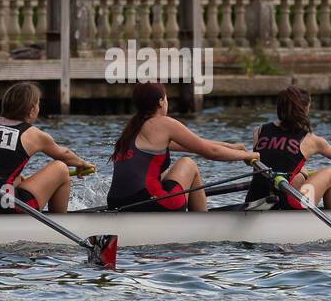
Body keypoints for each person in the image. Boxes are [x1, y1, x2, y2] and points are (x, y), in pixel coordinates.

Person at [107, 82, 256, 211]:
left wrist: (231, 147)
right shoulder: (163, 123)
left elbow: (196, 144)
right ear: (161, 102)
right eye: (166, 98)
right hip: (148, 203)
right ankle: (201, 222)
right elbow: (212, 153)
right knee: (188, 164)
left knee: (163, 176)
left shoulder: (134, 127)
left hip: (116, 203)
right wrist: (249, 155)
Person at [0, 82, 91, 214]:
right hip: (4, 204)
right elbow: (64, 154)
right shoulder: (33, 134)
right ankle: (62, 223)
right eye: (38, 104)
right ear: (32, 109)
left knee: (19, 178)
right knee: (60, 168)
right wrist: (83, 164)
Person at [245, 86, 331, 210]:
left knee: (299, 175)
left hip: (254, 200)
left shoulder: (259, 131)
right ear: (304, 109)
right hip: (287, 203)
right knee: (329, 173)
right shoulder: (310, 140)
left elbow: (276, 158)